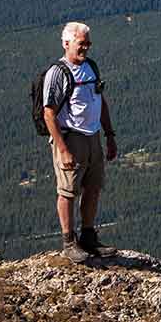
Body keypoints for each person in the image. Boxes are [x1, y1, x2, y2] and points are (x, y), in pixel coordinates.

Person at [42, 21, 117, 262]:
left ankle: (88, 237)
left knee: (93, 187)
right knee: (68, 191)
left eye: (88, 43)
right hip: (71, 137)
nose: (86, 47)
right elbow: (48, 114)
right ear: (66, 43)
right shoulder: (58, 73)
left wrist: (109, 135)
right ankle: (69, 242)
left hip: (93, 136)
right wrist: (63, 149)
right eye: (81, 43)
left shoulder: (91, 67)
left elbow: (100, 101)